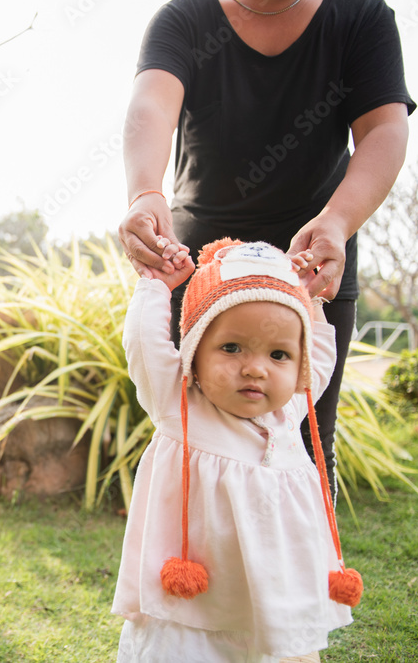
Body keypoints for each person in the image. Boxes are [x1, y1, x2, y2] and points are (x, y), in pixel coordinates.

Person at [117, 0, 416, 497]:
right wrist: (145, 192)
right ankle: (197, 569)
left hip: (313, 261)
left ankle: (304, 571)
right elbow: (150, 105)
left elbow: (384, 127)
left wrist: (337, 222)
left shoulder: (360, 16)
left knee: (308, 434)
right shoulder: (185, 17)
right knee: (191, 433)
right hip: (199, 267)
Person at [113, 238, 362, 662]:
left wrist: (314, 304)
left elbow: (319, 359)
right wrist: (156, 285)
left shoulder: (291, 411)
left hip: (274, 604)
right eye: (231, 348)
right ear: (193, 353)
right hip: (192, 612)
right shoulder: (179, 404)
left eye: (279, 354)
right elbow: (144, 346)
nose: (255, 367)